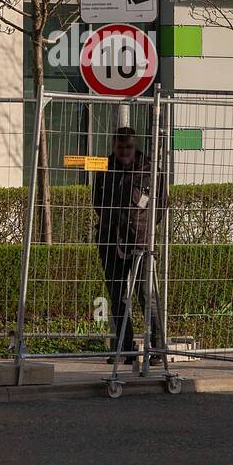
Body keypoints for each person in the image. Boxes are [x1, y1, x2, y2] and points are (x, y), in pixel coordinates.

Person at [92, 126, 166, 364]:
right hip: (111, 240)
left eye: (129, 147)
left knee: (147, 295)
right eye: (120, 147)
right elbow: (97, 201)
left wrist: (142, 226)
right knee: (117, 296)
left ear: (135, 146)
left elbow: (161, 204)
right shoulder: (104, 168)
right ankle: (126, 347)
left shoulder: (150, 170)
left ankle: (158, 348)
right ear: (114, 146)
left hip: (140, 241)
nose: (124, 151)